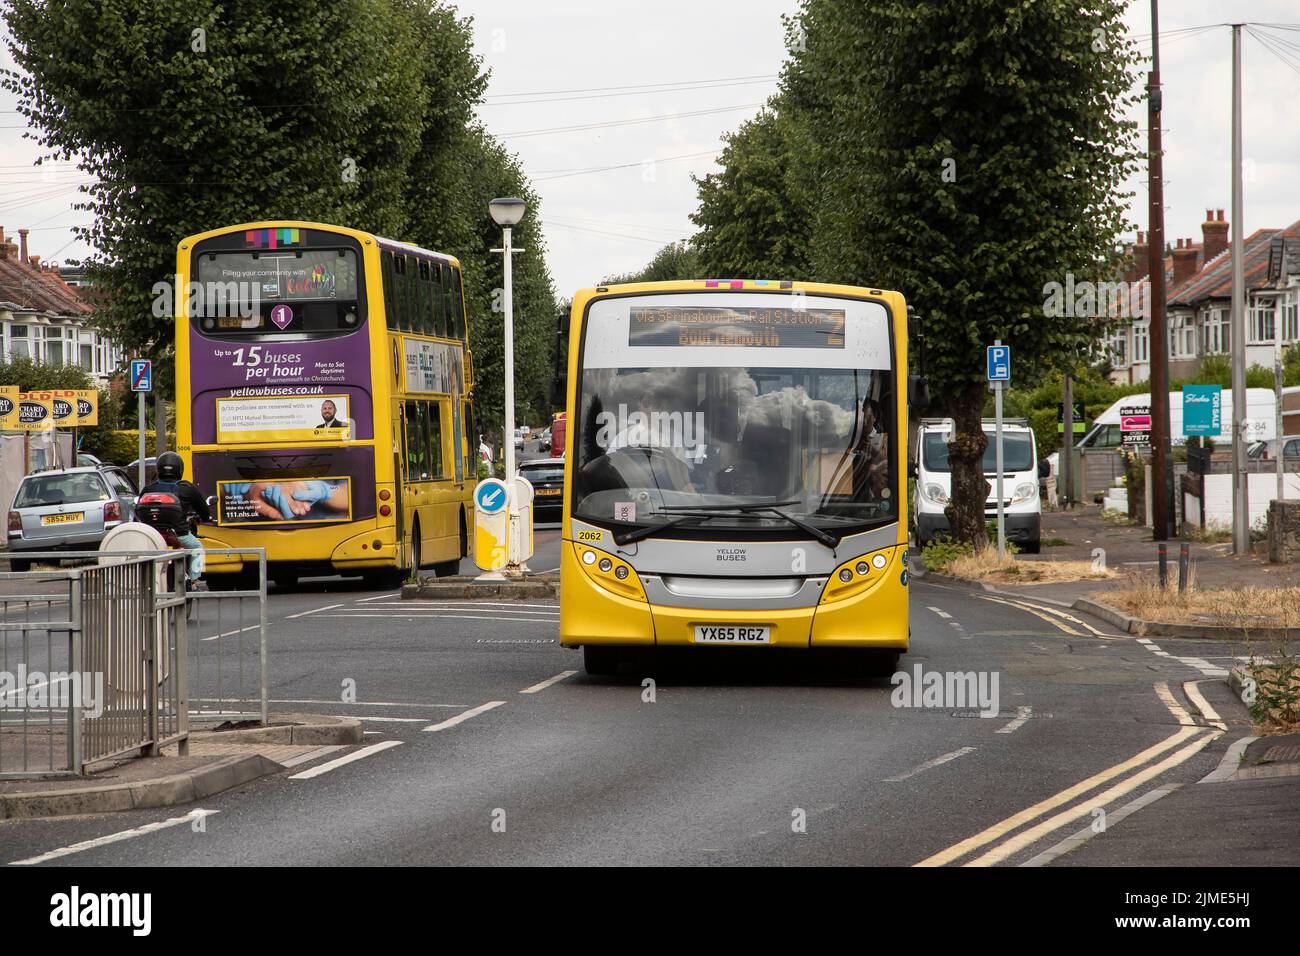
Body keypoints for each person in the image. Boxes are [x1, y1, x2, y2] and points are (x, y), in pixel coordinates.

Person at [141, 451, 211, 585]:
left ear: (159, 468)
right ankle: (194, 580)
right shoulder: (187, 488)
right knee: (197, 548)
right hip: (179, 534)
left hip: (153, 535)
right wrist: (205, 517)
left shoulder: (149, 488)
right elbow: (204, 511)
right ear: (180, 469)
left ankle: (145, 581)